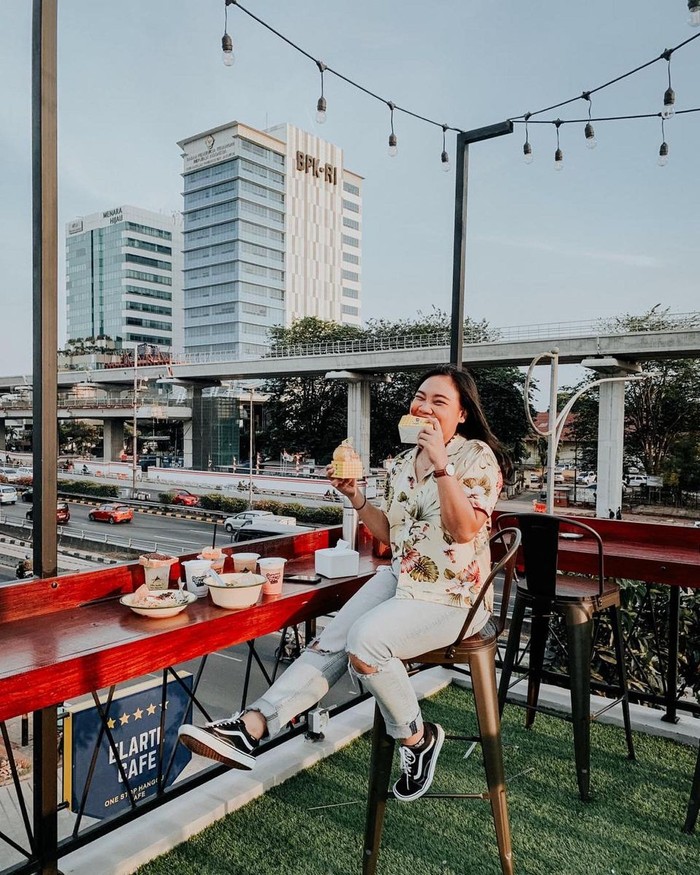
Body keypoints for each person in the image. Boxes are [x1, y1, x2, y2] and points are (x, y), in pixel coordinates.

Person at [178, 366, 509, 802]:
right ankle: (250, 728)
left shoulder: (475, 458)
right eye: (419, 397)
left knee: (365, 641)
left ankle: (417, 738)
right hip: (403, 578)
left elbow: (464, 531)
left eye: (439, 402)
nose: (424, 407)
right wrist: (355, 496)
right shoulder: (400, 464)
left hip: (455, 597)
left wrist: (444, 469)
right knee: (330, 640)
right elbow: (389, 534)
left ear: (462, 414)